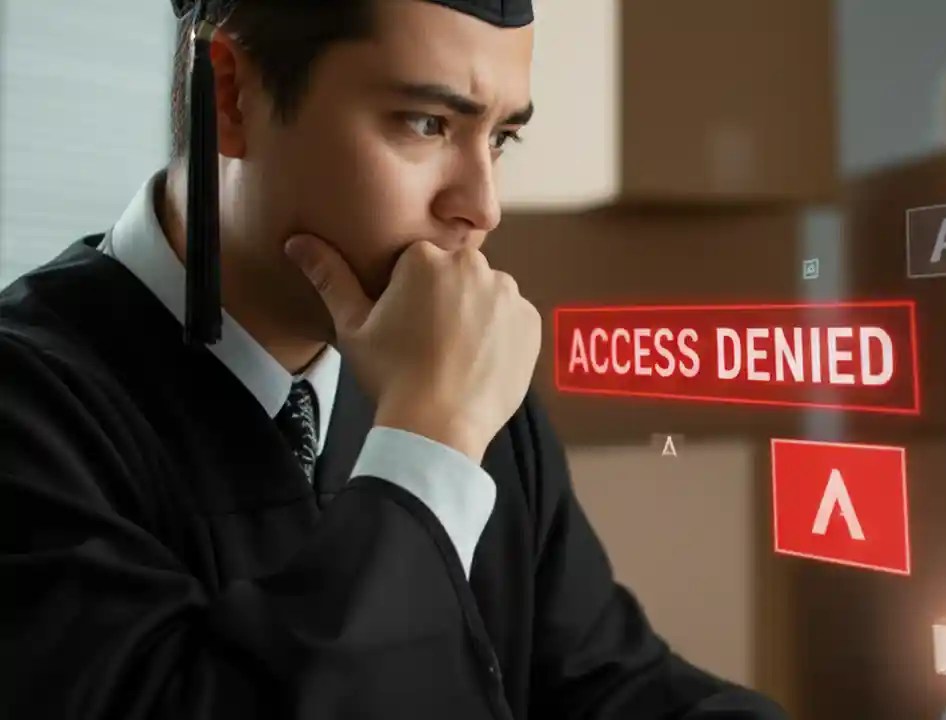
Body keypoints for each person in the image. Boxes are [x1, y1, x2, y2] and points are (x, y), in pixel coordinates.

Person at [0, 0, 788, 717]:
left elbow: (610, 687)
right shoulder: (31, 405)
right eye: (425, 124)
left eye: (502, 137)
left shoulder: (473, 391)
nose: (482, 207)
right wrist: (427, 444)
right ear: (231, 98)